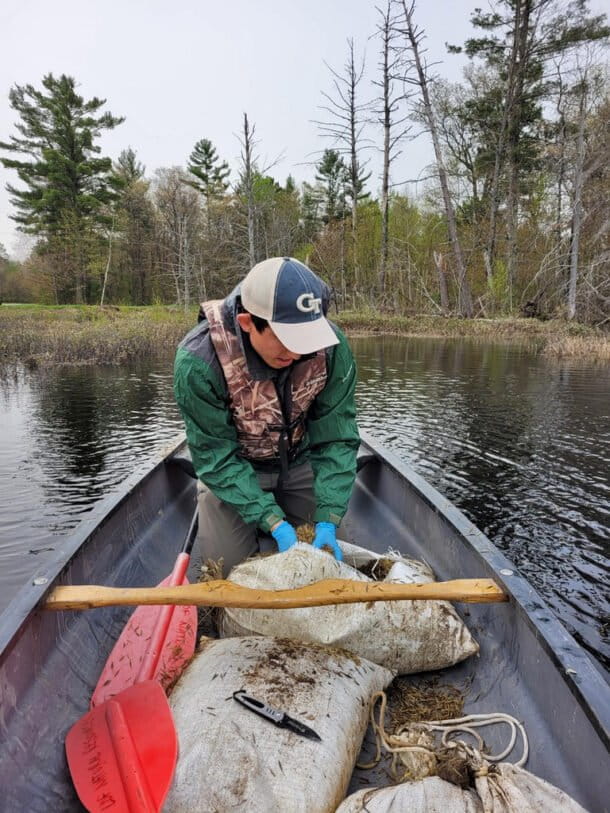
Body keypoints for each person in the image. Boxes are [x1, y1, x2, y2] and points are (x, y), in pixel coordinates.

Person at [173, 256, 360, 575]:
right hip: (234, 471)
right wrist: (273, 522)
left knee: (338, 562)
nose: (299, 353)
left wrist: (328, 517)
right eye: (288, 340)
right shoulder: (198, 362)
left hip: (302, 464)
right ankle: (261, 523)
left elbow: (336, 438)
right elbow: (216, 459)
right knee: (229, 572)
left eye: (307, 338)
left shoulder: (331, 347)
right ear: (248, 323)